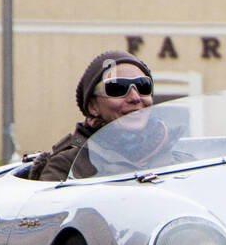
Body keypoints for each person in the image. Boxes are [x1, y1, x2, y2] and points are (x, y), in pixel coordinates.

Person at [29, 50, 170, 180]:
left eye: (143, 86)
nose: (135, 97)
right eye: (117, 88)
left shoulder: (178, 156)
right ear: (93, 106)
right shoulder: (67, 166)